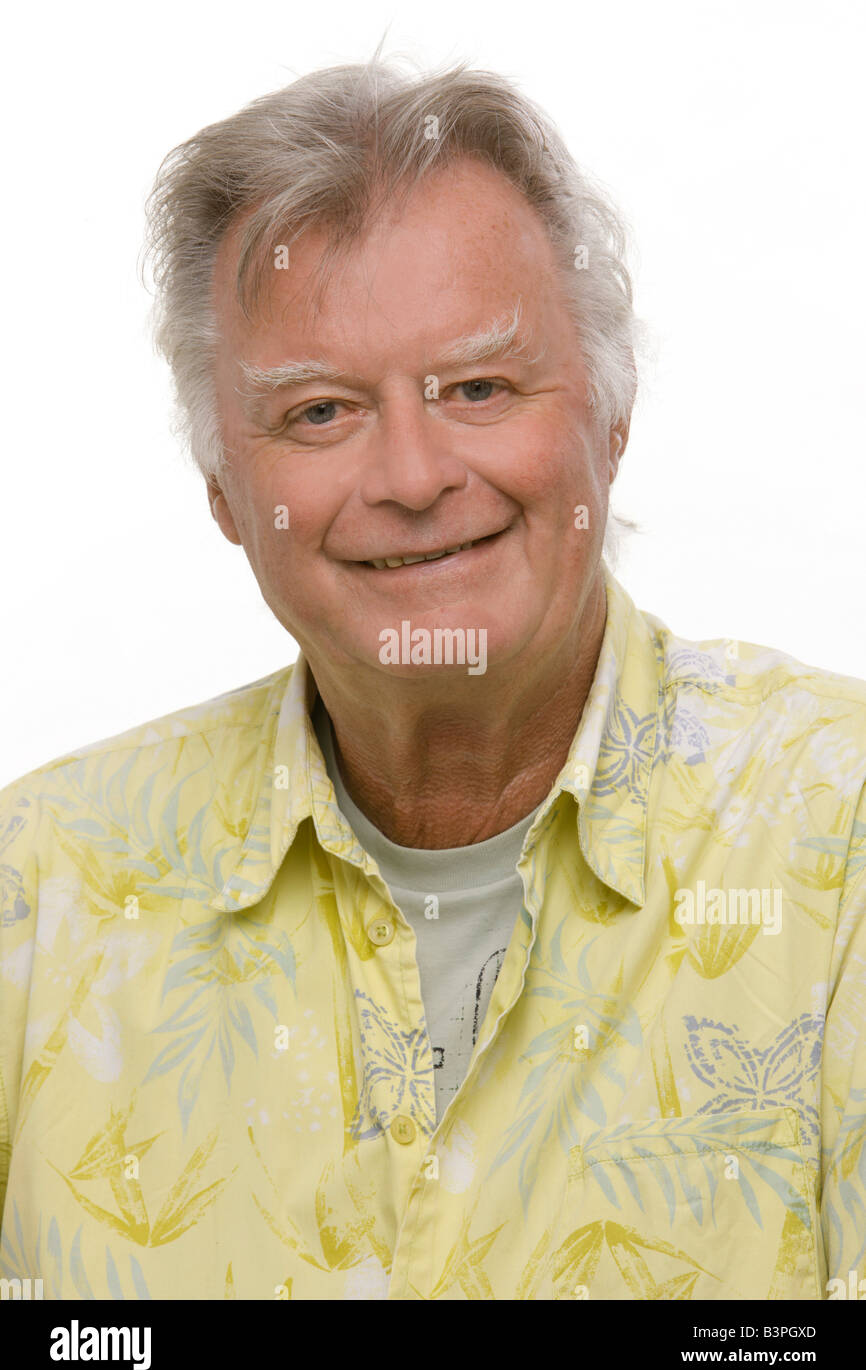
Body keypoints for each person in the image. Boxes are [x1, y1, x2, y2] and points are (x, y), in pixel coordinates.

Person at [1, 52, 864, 1302]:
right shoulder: (37, 891)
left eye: (476, 387)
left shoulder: (836, 845)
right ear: (223, 494)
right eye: (318, 412)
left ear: (609, 418)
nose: (409, 473)